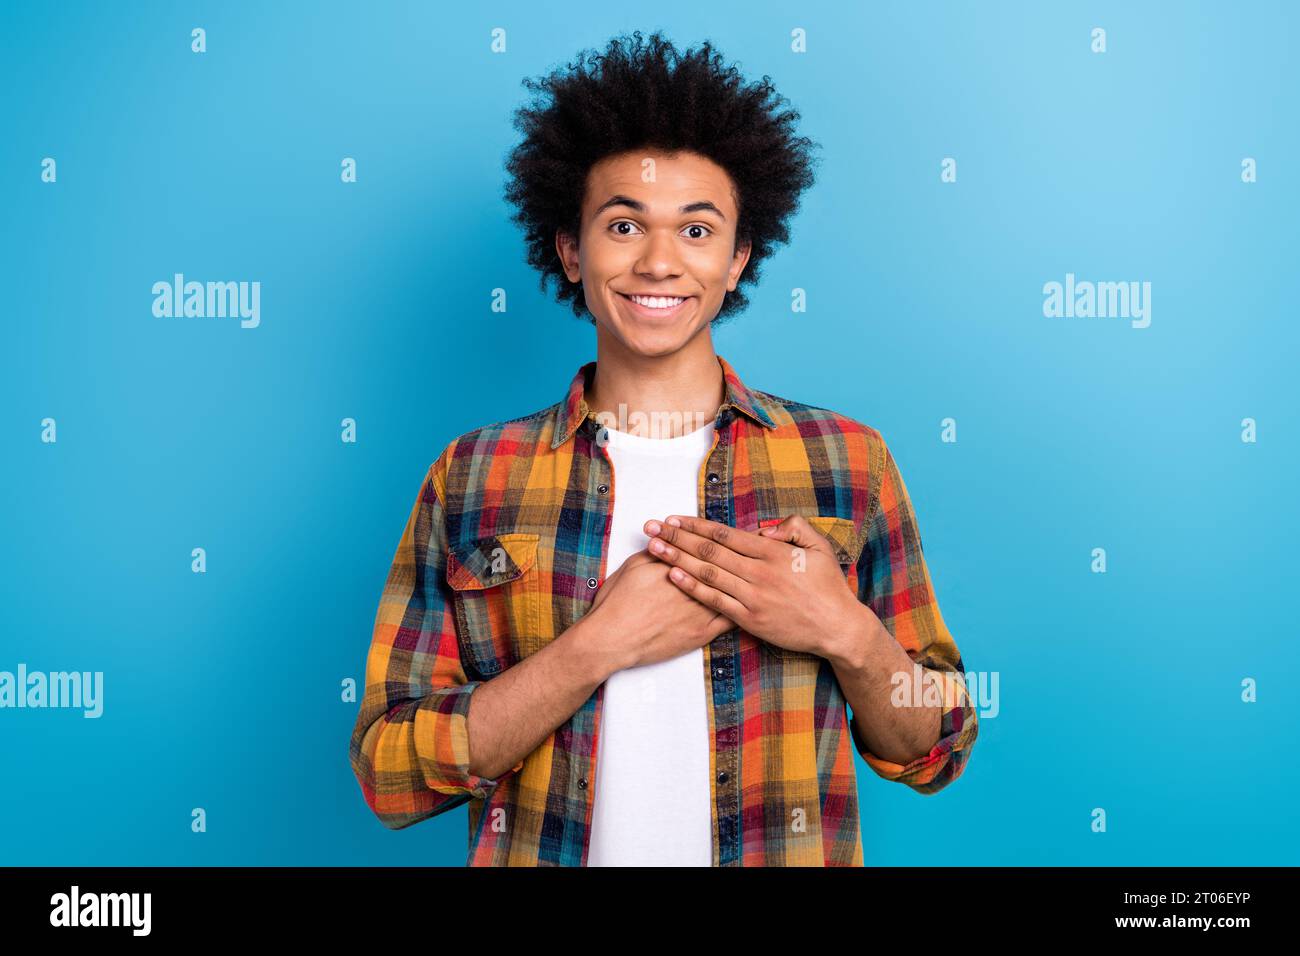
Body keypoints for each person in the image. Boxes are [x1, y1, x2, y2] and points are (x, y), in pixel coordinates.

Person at [349, 29, 977, 866]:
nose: (657, 262)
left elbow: (938, 747)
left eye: (696, 230)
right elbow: (390, 775)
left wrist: (846, 631)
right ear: (571, 251)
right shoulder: (471, 478)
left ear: (737, 257)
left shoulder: (848, 464)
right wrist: (593, 649)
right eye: (622, 225)